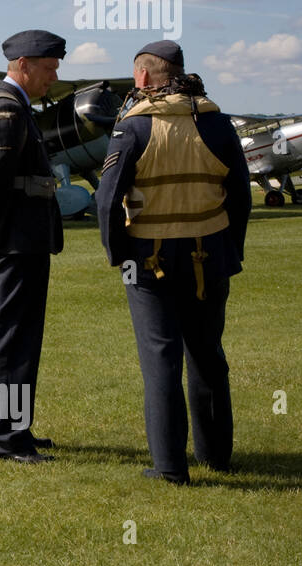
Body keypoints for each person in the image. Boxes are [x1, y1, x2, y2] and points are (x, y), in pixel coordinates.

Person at [95, 41, 250, 485]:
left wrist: (118, 255)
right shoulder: (216, 121)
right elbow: (240, 193)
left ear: (143, 78)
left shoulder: (133, 127)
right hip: (210, 253)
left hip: (149, 260)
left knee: (161, 359)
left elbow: (107, 201)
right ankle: (217, 456)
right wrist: (230, 251)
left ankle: (169, 467)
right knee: (207, 354)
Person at [0, 29, 66, 464]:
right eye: (48, 69)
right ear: (23, 65)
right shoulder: (4, 112)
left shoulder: (13, 107)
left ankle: (18, 429)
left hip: (25, 239)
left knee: (20, 340)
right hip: (16, 241)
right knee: (8, 341)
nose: (52, 78)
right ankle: (7, 439)